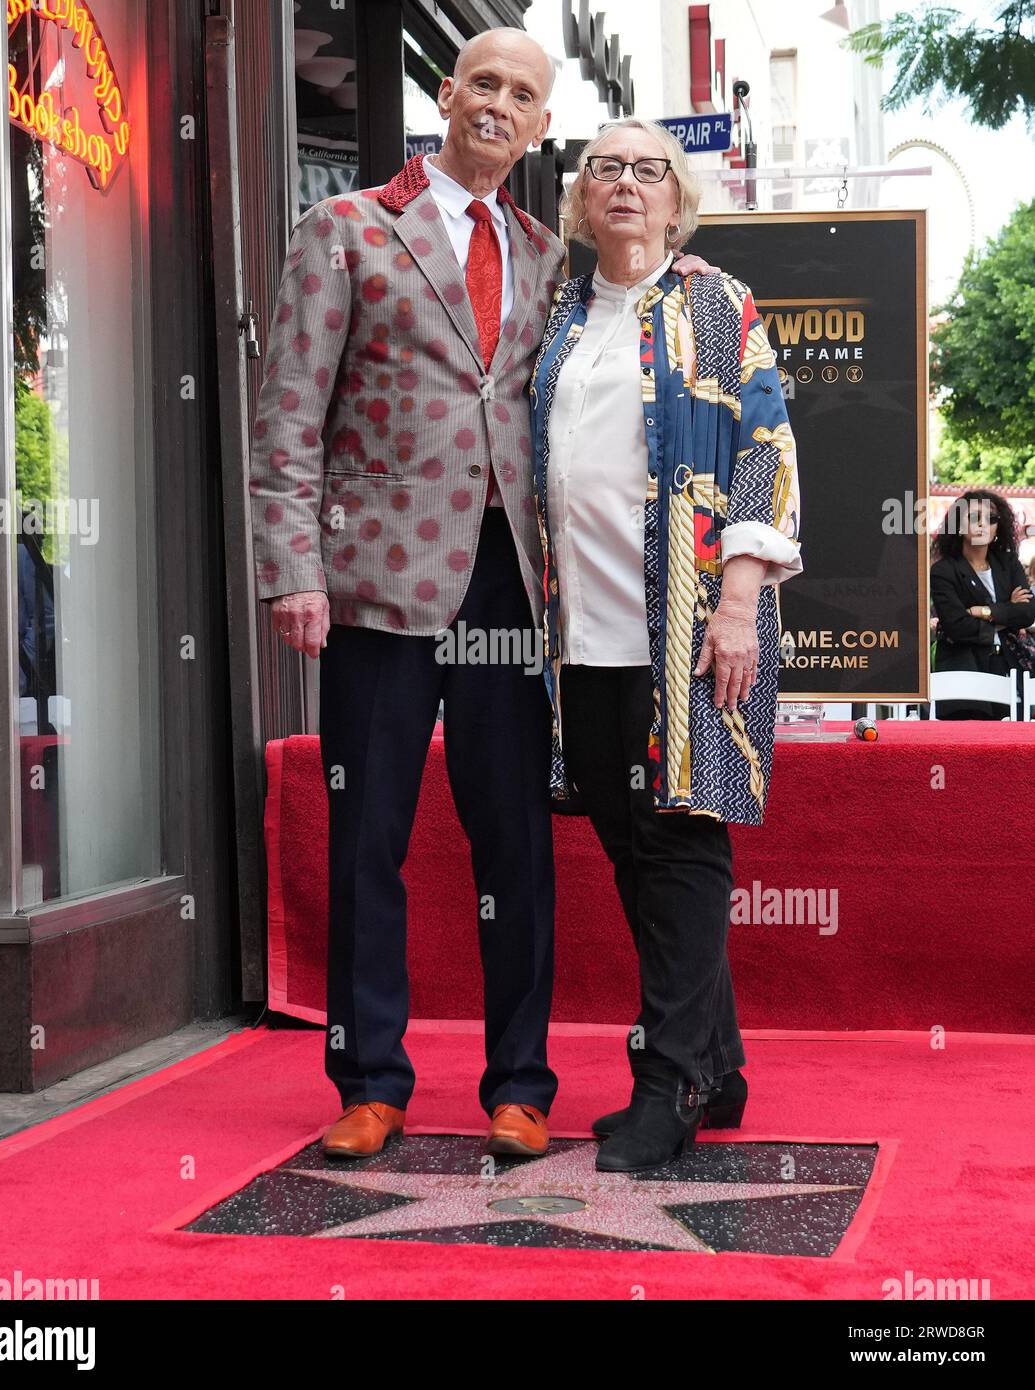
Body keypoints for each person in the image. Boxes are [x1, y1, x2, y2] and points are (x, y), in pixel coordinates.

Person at [251, 28, 717, 1161]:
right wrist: (292, 571)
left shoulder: (538, 252)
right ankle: (370, 1078)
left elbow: (624, 316)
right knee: (370, 834)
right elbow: (285, 416)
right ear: (447, 95)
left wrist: (688, 277)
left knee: (514, 840)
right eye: (485, 85)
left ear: (539, 123)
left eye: (524, 94)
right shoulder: (345, 230)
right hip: (376, 587)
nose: (500, 105)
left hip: (510, 589)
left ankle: (520, 1081)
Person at [530, 118, 803, 1172]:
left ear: (677, 200)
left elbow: (765, 444)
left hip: (692, 622)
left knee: (682, 841)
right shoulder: (559, 316)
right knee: (627, 844)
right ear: (579, 198)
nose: (627, 184)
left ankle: (671, 1077)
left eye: (649, 170)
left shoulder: (713, 302)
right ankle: (719, 1059)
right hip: (584, 632)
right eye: (606, 168)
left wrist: (739, 599)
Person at [930, 490, 1035, 718]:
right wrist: (1007, 614)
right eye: (975, 517)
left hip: (1009, 667)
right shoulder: (943, 571)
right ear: (958, 525)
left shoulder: (1009, 564)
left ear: (999, 527)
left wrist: (982, 611)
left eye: (991, 519)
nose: (983, 524)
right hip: (963, 670)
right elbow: (957, 627)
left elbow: (1027, 613)